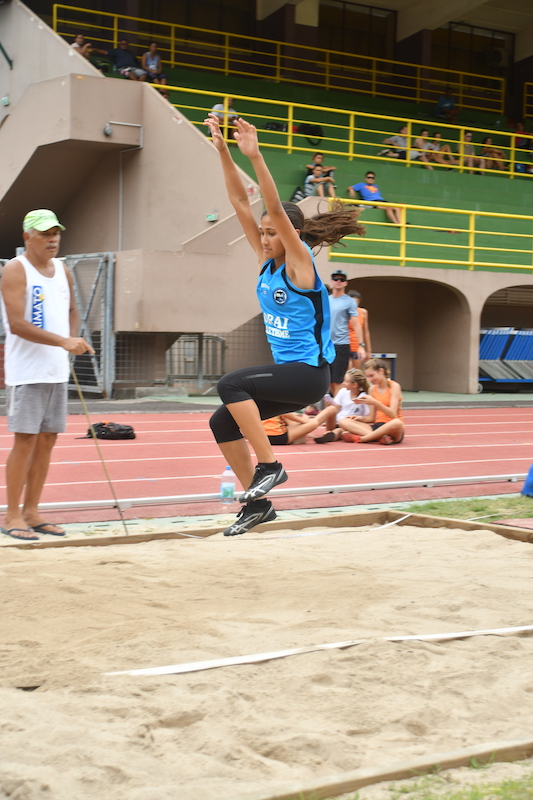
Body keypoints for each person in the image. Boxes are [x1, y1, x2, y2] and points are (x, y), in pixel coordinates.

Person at [203, 112, 364, 536]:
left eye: (273, 233)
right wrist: (222, 151)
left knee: (231, 385)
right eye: (262, 232)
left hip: (309, 374)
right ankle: (257, 507)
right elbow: (241, 202)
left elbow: (272, 206)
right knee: (222, 420)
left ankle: (271, 466)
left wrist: (255, 157)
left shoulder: (300, 265)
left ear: (291, 234)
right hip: (291, 375)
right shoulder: (265, 262)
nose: (265, 237)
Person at [0, 210, 94, 541]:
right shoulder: (15, 269)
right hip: (27, 372)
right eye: (44, 234)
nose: (52, 238)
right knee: (25, 441)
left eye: (56, 232)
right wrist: (63, 341)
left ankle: (32, 511)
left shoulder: (63, 269)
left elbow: (71, 310)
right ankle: (12, 514)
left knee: (48, 441)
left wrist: (69, 343)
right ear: (27, 237)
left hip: (56, 371)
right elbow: (17, 324)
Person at [339, 358, 404, 444]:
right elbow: (371, 418)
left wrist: (374, 402)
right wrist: (360, 418)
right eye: (368, 377)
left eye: (372, 376)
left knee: (397, 422)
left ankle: (362, 439)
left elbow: (393, 414)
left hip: (392, 427)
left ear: (381, 371)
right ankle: (379, 437)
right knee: (342, 421)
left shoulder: (394, 386)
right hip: (377, 426)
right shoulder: (372, 389)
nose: (370, 380)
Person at [328, 269, 365, 397]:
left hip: (341, 345)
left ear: (345, 283)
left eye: (342, 280)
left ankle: (339, 412)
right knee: (328, 381)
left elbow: (356, 324)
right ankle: (334, 409)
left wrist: (361, 345)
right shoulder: (326, 300)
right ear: (331, 281)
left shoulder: (349, 301)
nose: (338, 281)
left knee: (338, 380)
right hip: (326, 345)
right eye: (336, 279)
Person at [313, 369, 370, 443]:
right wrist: (329, 406)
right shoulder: (343, 391)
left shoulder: (363, 397)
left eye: (346, 381)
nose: (343, 383)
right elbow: (335, 409)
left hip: (350, 424)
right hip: (337, 422)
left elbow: (368, 417)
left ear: (354, 385)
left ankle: (330, 435)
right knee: (331, 409)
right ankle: (312, 424)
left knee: (339, 430)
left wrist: (359, 418)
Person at [348, 289, 371, 369]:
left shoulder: (363, 312)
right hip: (345, 344)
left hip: (356, 346)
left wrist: (368, 350)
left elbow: (365, 331)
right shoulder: (344, 311)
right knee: (347, 368)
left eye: (357, 302)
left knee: (355, 372)